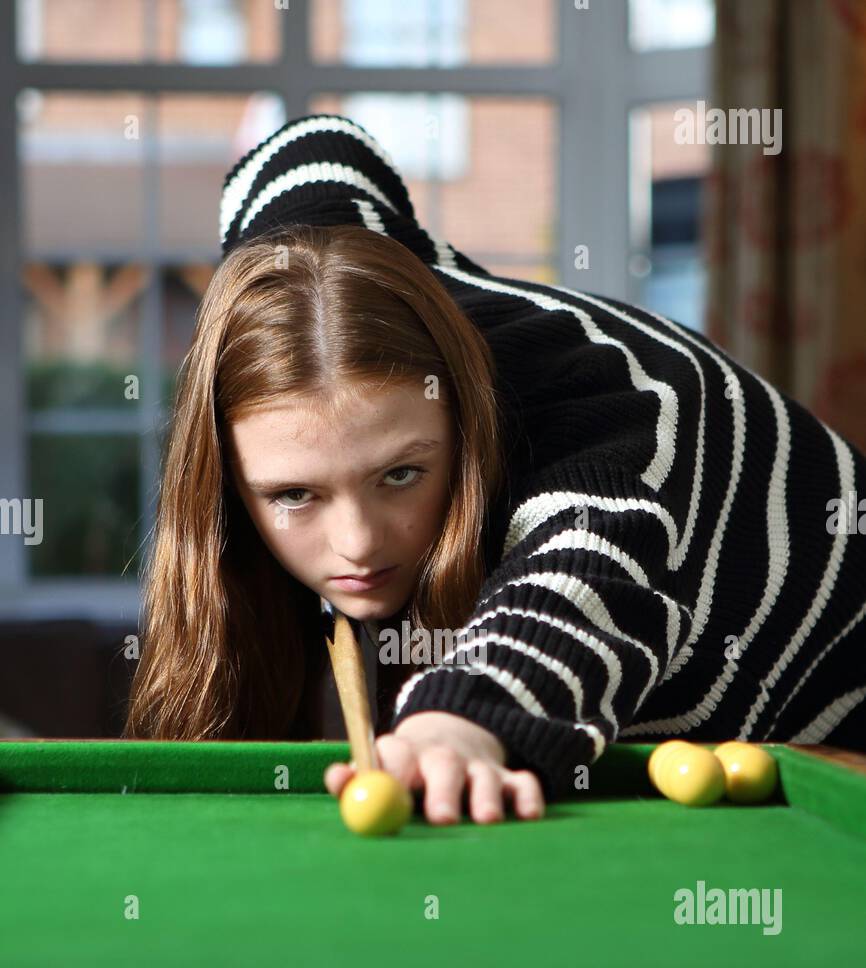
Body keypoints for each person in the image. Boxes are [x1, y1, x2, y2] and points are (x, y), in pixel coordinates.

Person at [125, 113, 866, 826]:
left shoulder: (605, 385)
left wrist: (460, 719)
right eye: (293, 494)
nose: (357, 543)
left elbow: (586, 568)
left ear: (455, 406)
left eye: (400, 475)